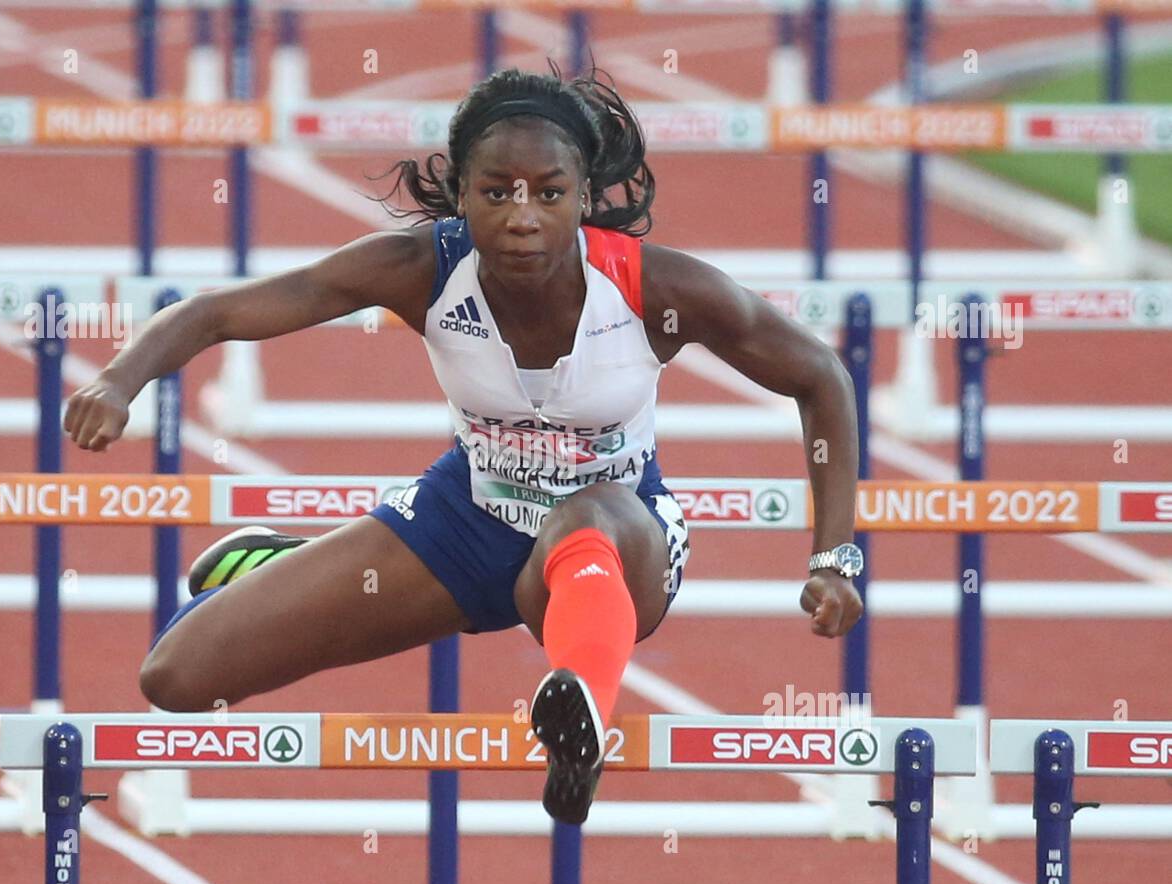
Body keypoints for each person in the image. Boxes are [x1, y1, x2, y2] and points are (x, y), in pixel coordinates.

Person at [63, 64, 864, 826]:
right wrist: (118, 381)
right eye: (496, 194)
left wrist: (834, 558)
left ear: (582, 195)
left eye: (550, 194)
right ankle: (279, 568)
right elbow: (217, 312)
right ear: (461, 194)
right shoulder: (421, 271)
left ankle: (578, 722)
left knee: (583, 522)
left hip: (619, 541)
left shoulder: (656, 289)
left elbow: (820, 377)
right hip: (465, 523)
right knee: (175, 677)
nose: (522, 218)